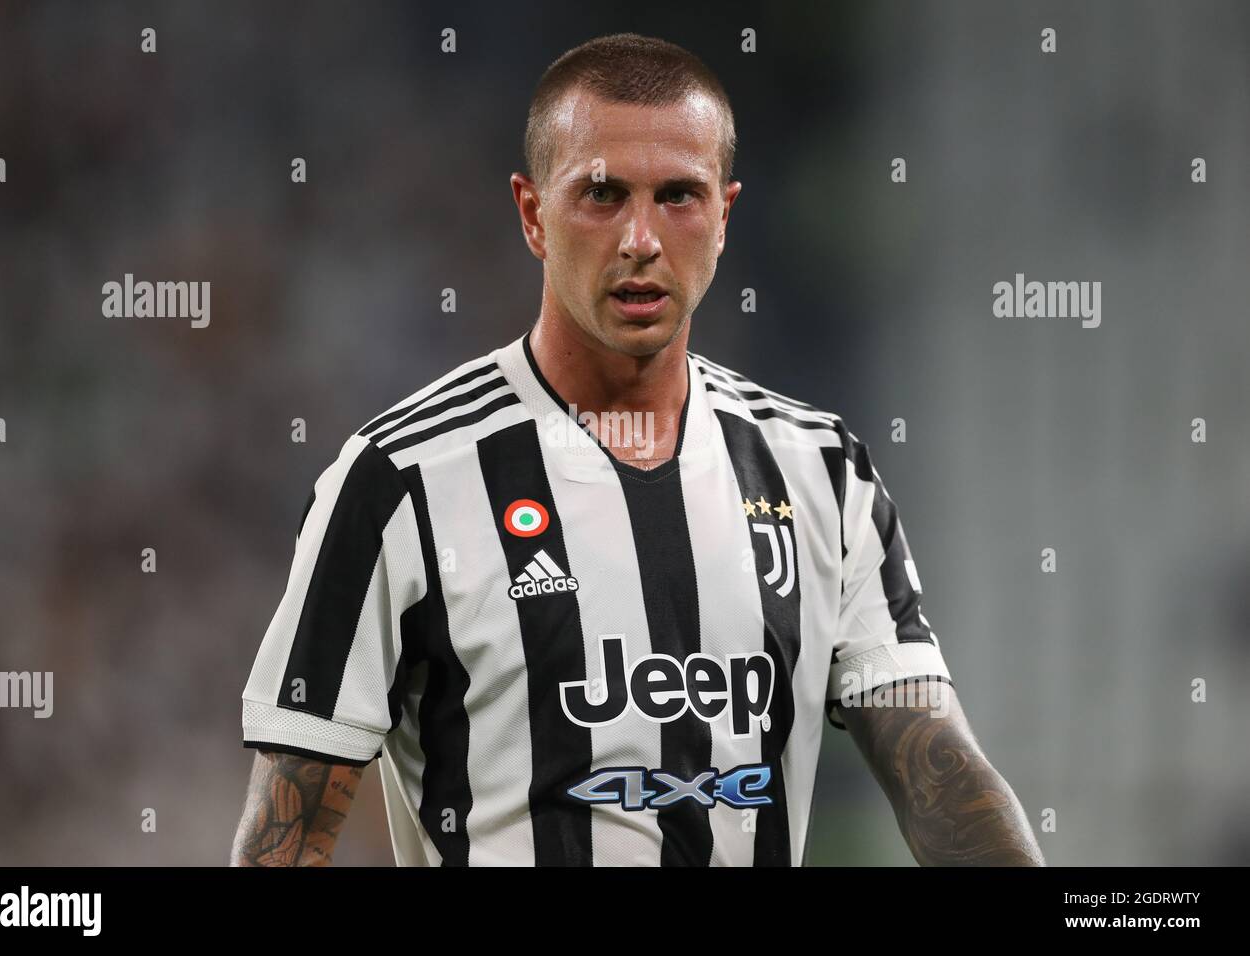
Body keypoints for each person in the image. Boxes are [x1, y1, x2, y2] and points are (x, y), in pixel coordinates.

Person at [231, 32, 1044, 867]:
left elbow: (937, 775)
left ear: (725, 215)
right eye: (603, 194)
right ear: (531, 213)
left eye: (679, 196)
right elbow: (284, 840)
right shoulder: (399, 482)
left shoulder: (822, 472)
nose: (641, 239)